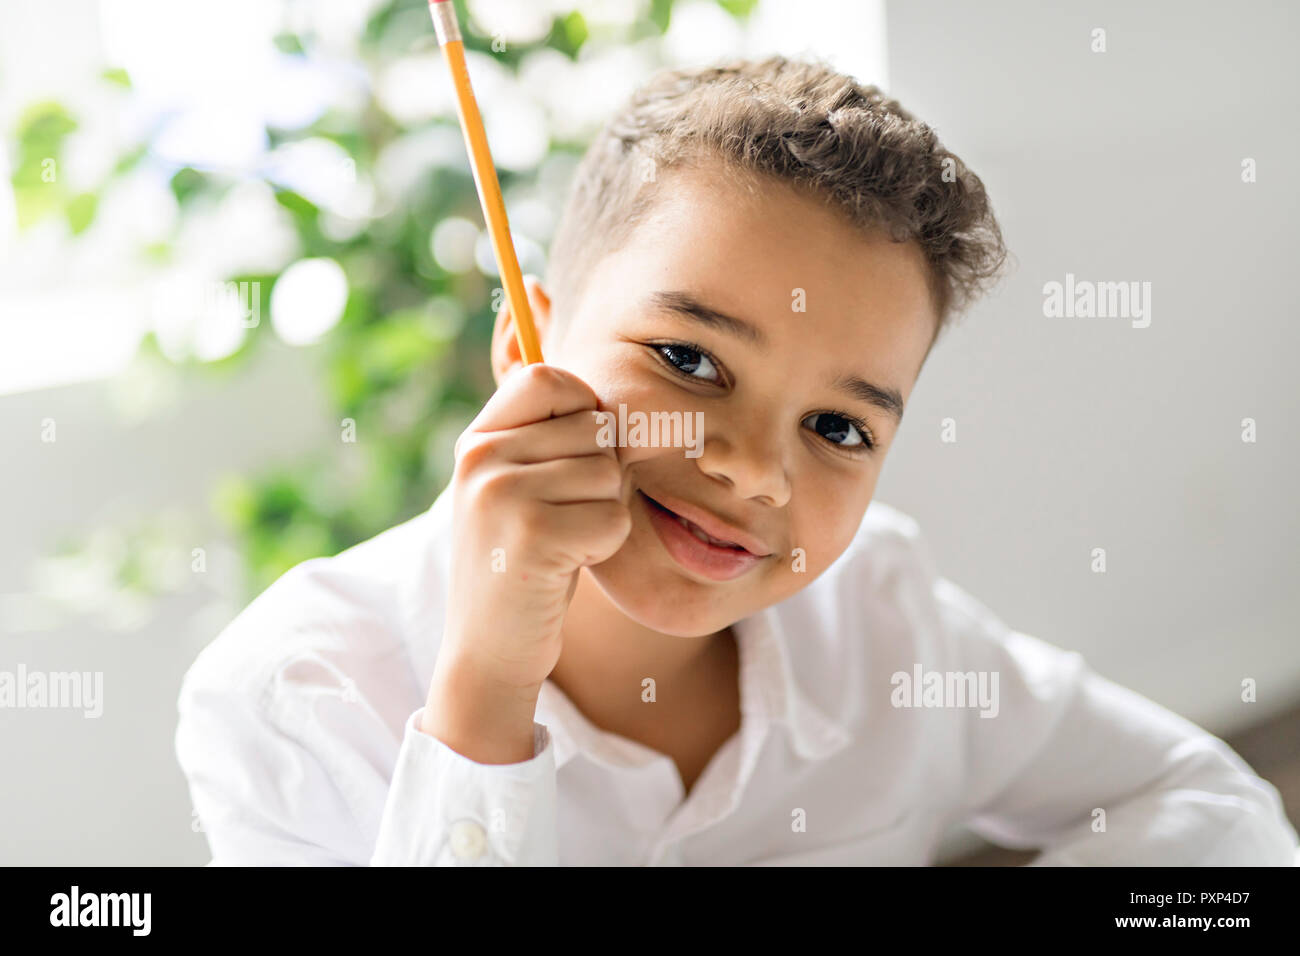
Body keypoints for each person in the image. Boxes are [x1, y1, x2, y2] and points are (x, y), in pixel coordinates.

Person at [175, 55, 1298, 866]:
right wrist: (483, 695)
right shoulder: (290, 694)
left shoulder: (888, 622)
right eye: (688, 359)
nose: (758, 473)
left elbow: (1207, 799)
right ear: (526, 346)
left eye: (839, 428)